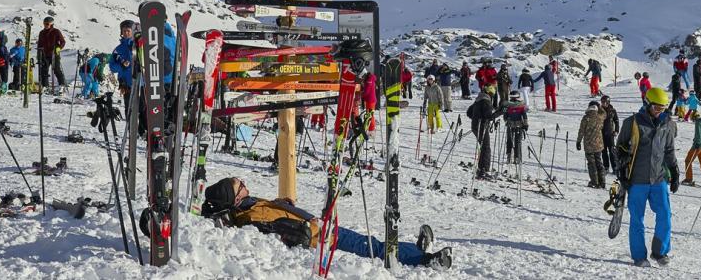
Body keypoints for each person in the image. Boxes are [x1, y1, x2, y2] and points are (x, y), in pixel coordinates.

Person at [199, 177, 452, 268]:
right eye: (239, 185)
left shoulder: (250, 205)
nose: (244, 183)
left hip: (320, 226)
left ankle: (416, 252)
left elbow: (277, 215)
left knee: (371, 244)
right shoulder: (252, 217)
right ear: (235, 198)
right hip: (323, 237)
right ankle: (426, 260)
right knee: (370, 248)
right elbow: (282, 232)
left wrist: (283, 203)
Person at [615, 87, 679, 267]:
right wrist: (622, 173)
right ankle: (639, 256)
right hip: (637, 180)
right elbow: (619, 148)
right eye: (657, 108)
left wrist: (674, 171)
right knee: (637, 219)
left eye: (663, 108)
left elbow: (669, 150)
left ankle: (660, 252)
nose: (660, 111)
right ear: (647, 104)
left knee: (665, 215)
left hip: (658, 179)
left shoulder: (667, 124)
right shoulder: (632, 122)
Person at [466, 85, 502, 179]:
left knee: (483, 146)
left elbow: (469, 112)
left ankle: (481, 168)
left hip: (475, 126)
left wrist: (476, 117)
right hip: (481, 126)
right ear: (490, 93)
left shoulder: (478, 99)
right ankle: (484, 169)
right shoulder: (486, 101)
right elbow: (489, 116)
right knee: (486, 147)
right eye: (492, 95)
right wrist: (500, 112)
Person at [576, 101, 607, 188]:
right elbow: (605, 113)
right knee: (599, 162)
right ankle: (602, 182)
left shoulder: (586, 118)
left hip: (588, 144)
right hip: (599, 144)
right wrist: (600, 106)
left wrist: (578, 141)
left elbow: (581, 131)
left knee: (591, 163)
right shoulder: (600, 116)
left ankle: (594, 182)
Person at [109, 20, 135, 113]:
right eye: (124, 31)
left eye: (128, 30)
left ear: (132, 31)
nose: (126, 33)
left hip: (140, 84)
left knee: (142, 110)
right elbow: (112, 67)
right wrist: (121, 65)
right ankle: (129, 128)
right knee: (129, 110)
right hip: (126, 85)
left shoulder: (139, 46)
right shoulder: (118, 50)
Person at [37, 16, 67, 91]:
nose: (45, 25)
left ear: (51, 24)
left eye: (47, 24)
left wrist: (59, 48)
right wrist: (39, 55)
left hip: (54, 54)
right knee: (43, 70)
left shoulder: (56, 31)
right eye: (44, 24)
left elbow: (63, 41)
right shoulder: (42, 33)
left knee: (56, 69)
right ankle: (45, 86)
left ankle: (61, 85)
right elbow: (39, 45)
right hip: (45, 54)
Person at [682, 111, 701, 186]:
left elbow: (698, 134)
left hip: (697, 146)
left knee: (688, 161)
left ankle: (689, 179)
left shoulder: (698, 123)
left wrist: (698, 142)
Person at [503, 90, 528, 165]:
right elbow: (524, 115)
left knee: (509, 140)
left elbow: (505, 115)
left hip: (510, 125)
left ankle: (509, 156)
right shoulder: (521, 105)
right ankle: (517, 157)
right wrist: (525, 124)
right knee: (517, 141)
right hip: (519, 125)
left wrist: (506, 120)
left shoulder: (507, 105)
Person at [599, 94, 619, 172]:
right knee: (603, 151)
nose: (603, 103)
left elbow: (616, 121)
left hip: (610, 133)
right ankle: (606, 167)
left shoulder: (612, 111)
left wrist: (616, 130)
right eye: (602, 102)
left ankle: (614, 167)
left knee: (612, 151)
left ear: (608, 102)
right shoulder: (599, 110)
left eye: (604, 102)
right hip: (601, 133)